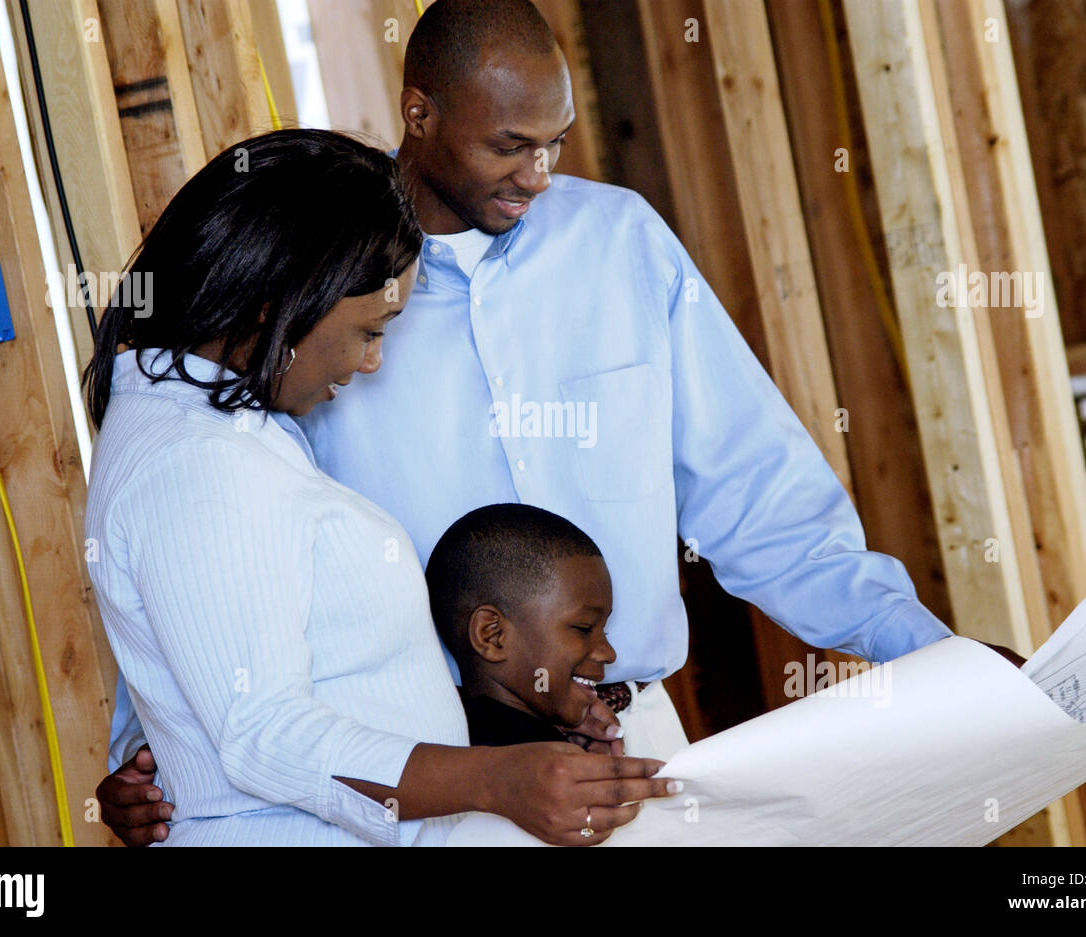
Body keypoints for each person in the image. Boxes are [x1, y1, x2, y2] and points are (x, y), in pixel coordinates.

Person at [99, 0, 1024, 844]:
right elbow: (212, 556)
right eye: (510, 145)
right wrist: (150, 746)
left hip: (624, 736)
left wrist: (937, 658)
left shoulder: (622, 245)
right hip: (432, 775)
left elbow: (762, 500)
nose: (539, 174)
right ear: (420, 113)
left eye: (557, 143)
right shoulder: (316, 302)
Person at [83, 128, 675, 846]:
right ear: (280, 302)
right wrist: (495, 781)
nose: (371, 362)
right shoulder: (198, 464)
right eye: (370, 329)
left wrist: (510, 728)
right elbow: (267, 736)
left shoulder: (219, 428)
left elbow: (323, 677)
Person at [425, 503, 617, 747]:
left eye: (605, 630)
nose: (609, 653)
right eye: (584, 628)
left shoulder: (447, 743)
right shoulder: (549, 772)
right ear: (492, 635)